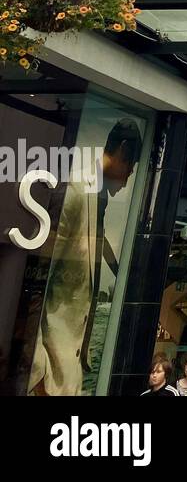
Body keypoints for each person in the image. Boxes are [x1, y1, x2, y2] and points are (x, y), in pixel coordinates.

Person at [28, 119, 143, 396]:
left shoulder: (96, 198)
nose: (127, 180)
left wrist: (122, 271)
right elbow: (34, 287)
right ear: (122, 151)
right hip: (49, 374)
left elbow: (98, 242)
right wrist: (38, 374)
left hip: (70, 370)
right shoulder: (75, 192)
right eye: (130, 168)